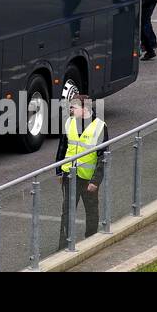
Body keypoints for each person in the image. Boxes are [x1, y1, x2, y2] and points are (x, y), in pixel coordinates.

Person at [55, 94, 107, 248]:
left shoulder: (100, 127)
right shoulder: (69, 122)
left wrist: (95, 181)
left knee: (91, 210)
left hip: (88, 178)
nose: (70, 110)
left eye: (73, 107)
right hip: (69, 175)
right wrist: (59, 171)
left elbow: (103, 157)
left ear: (84, 109)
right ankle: (63, 245)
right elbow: (62, 148)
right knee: (67, 212)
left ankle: (91, 241)